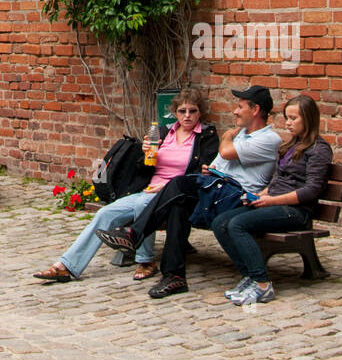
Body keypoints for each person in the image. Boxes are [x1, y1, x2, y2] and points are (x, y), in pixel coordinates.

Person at [95, 84, 282, 298]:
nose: (235, 111)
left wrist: (227, 137)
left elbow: (226, 152)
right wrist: (210, 170)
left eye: (240, 107)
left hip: (235, 198)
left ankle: (135, 234)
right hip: (216, 191)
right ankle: (174, 277)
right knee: (177, 204)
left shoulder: (268, 139)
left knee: (179, 185)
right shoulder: (241, 136)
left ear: (255, 110)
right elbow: (216, 166)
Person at [33, 89, 218, 283]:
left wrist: (167, 187)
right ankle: (66, 266)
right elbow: (142, 169)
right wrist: (145, 154)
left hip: (174, 196)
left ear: (200, 113)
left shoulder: (206, 137)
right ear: (175, 112)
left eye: (192, 111)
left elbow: (200, 175)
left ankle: (146, 262)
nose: (187, 116)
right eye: (182, 111)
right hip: (147, 191)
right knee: (105, 214)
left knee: (142, 205)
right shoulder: (165, 133)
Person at [213, 94, 333, 305]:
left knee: (237, 224)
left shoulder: (318, 150)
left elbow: (311, 191)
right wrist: (262, 195)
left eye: (294, 118)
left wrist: (272, 201)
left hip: (295, 211)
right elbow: (279, 181)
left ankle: (262, 284)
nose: (288, 123)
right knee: (220, 222)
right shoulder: (290, 146)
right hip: (276, 203)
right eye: (287, 117)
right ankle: (250, 276)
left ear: (309, 119)